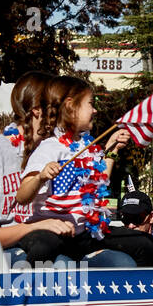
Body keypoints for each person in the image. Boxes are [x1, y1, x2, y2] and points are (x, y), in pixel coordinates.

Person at [16, 76, 138, 268]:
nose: (95, 110)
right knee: (44, 247)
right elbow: (22, 196)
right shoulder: (50, 147)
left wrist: (111, 151)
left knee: (143, 243)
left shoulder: (87, 146)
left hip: (84, 232)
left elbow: (99, 183)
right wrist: (40, 177)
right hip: (52, 231)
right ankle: (25, 293)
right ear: (71, 106)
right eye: (90, 104)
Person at [0, 71, 77, 264]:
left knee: (120, 261)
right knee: (62, 265)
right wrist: (38, 226)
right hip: (11, 250)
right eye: (56, 107)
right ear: (37, 110)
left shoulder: (58, 149)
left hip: (59, 238)